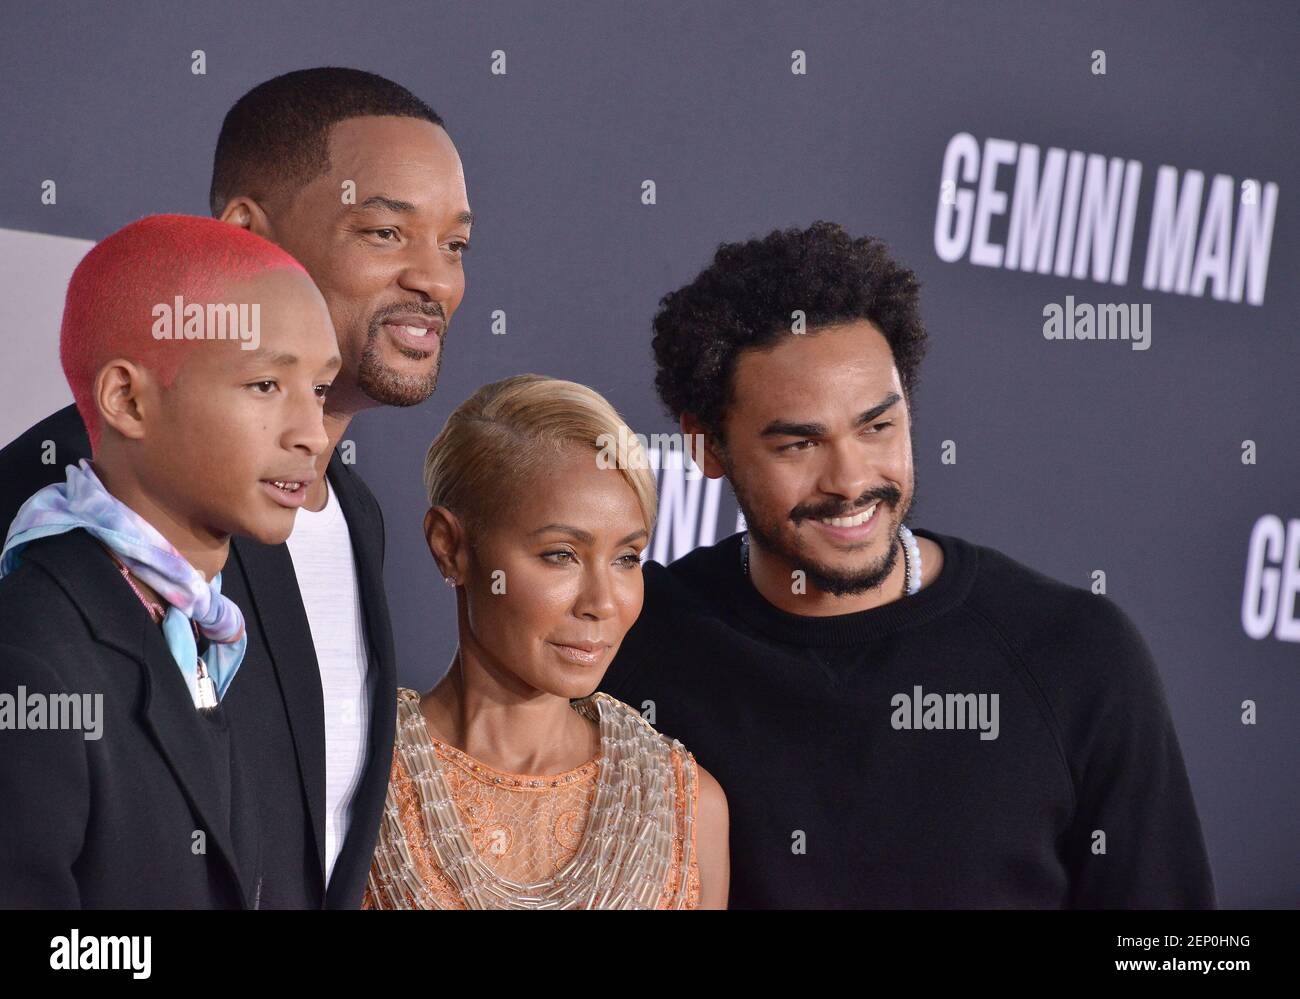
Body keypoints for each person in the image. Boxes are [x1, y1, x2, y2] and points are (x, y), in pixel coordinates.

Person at [598, 221, 1217, 909]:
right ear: (707, 446)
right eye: (800, 444)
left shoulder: (1077, 655)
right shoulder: (630, 644)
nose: (851, 480)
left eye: (877, 426)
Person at [0, 67, 472, 908]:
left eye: (456, 245)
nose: (435, 281)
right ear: (250, 233)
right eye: (386, 233)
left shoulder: (358, 516)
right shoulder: (76, 492)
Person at [0, 214, 340, 907]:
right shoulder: (28, 655)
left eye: (321, 390)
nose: (311, 433)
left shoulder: (208, 633)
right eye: (266, 385)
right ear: (128, 399)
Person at [363, 375, 729, 909]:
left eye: (627, 558)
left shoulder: (686, 805)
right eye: (561, 554)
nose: (602, 602)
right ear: (451, 548)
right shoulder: (358, 777)